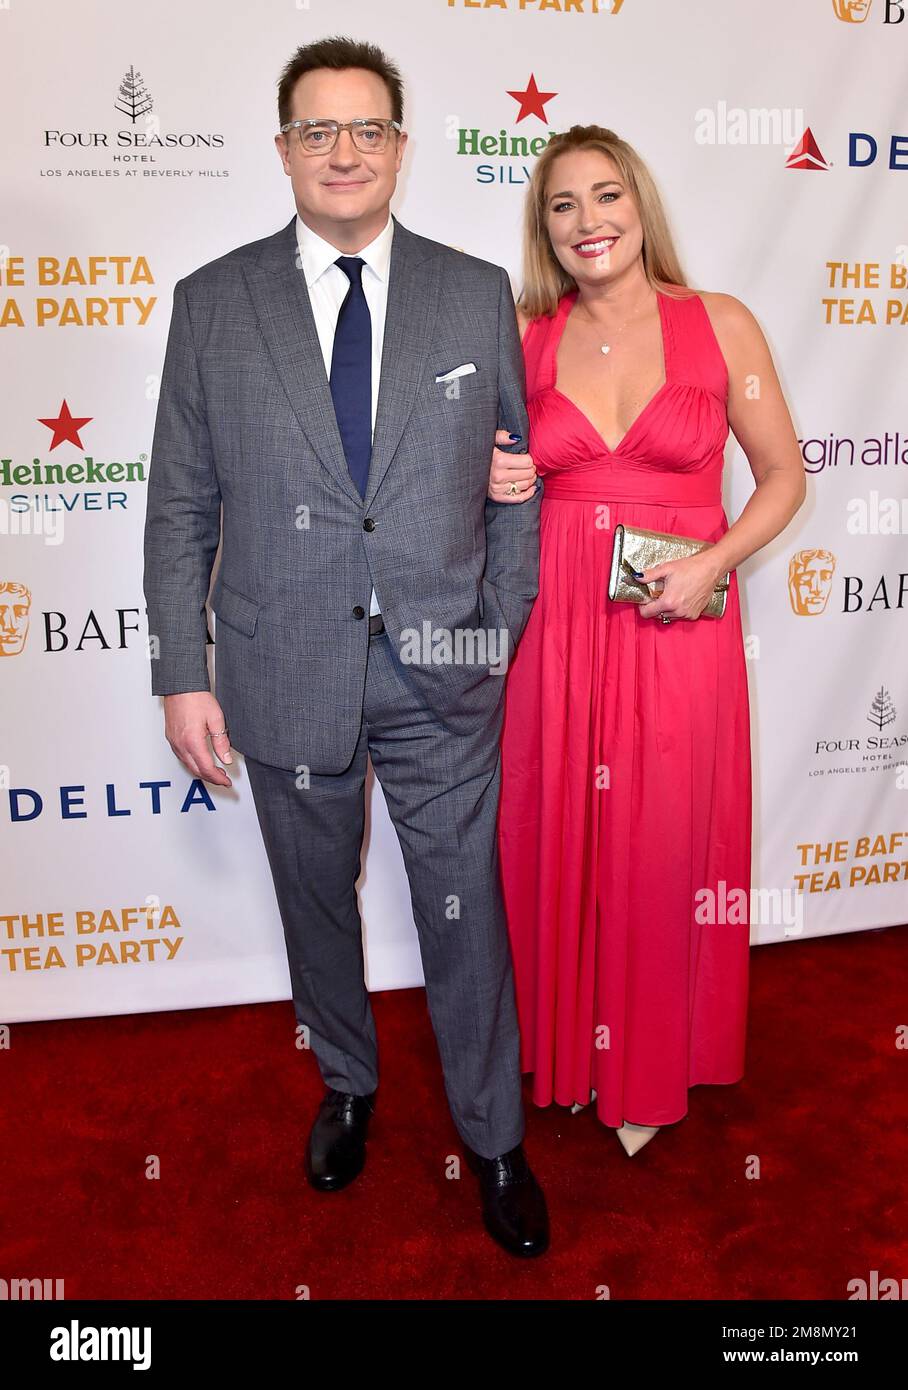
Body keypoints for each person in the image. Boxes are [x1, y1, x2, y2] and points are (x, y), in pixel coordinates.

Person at [143, 35, 549, 1257]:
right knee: (315, 898)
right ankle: (350, 1085)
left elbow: (517, 486)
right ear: (281, 150)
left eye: (365, 129)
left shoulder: (475, 291)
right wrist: (180, 669)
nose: (342, 151)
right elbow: (179, 505)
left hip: (441, 666)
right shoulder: (213, 303)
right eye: (316, 130)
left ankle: (493, 1139)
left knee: (462, 908)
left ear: (401, 150)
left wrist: (496, 626)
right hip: (280, 667)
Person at [489, 125, 806, 1156]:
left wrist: (713, 561)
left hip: (677, 617)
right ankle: (570, 1055)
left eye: (605, 195)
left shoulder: (718, 324)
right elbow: (482, 481)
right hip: (558, 620)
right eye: (562, 205)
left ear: (641, 207)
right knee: (556, 826)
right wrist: (497, 479)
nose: (588, 222)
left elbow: (782, 476)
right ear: (543, 228)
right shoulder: (525, 334)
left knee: (663, 837)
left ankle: (645, 1063)